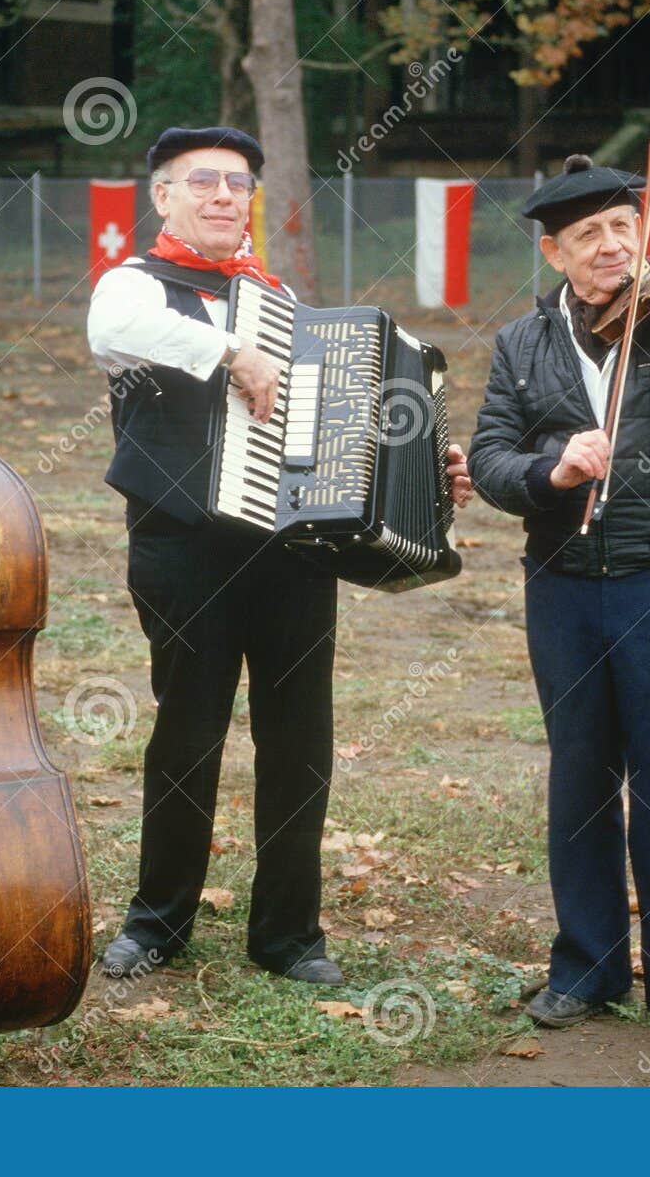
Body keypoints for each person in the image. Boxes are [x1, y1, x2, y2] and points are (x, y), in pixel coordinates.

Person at [88, 125, 473, 986]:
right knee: (187, 735)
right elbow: (114, 327)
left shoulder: (286, 306)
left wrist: (419, 471)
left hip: (290, 552)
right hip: (182, 547)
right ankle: (157, 924)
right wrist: (230, 350)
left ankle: (290, 934)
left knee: (299, 740)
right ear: (164, 197)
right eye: (204, 182)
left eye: (240, 184)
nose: (226, 196)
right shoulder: (135, 285)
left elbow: (345, 434)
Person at [467, 154, 650, 1053]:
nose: (612, 247)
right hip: (561, 585)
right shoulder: (521, 345)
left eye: (625, 228)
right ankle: (586, 971)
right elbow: (488, 461)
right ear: (554, 251)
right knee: (581, 782)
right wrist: (550, 471)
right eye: (589, 234)